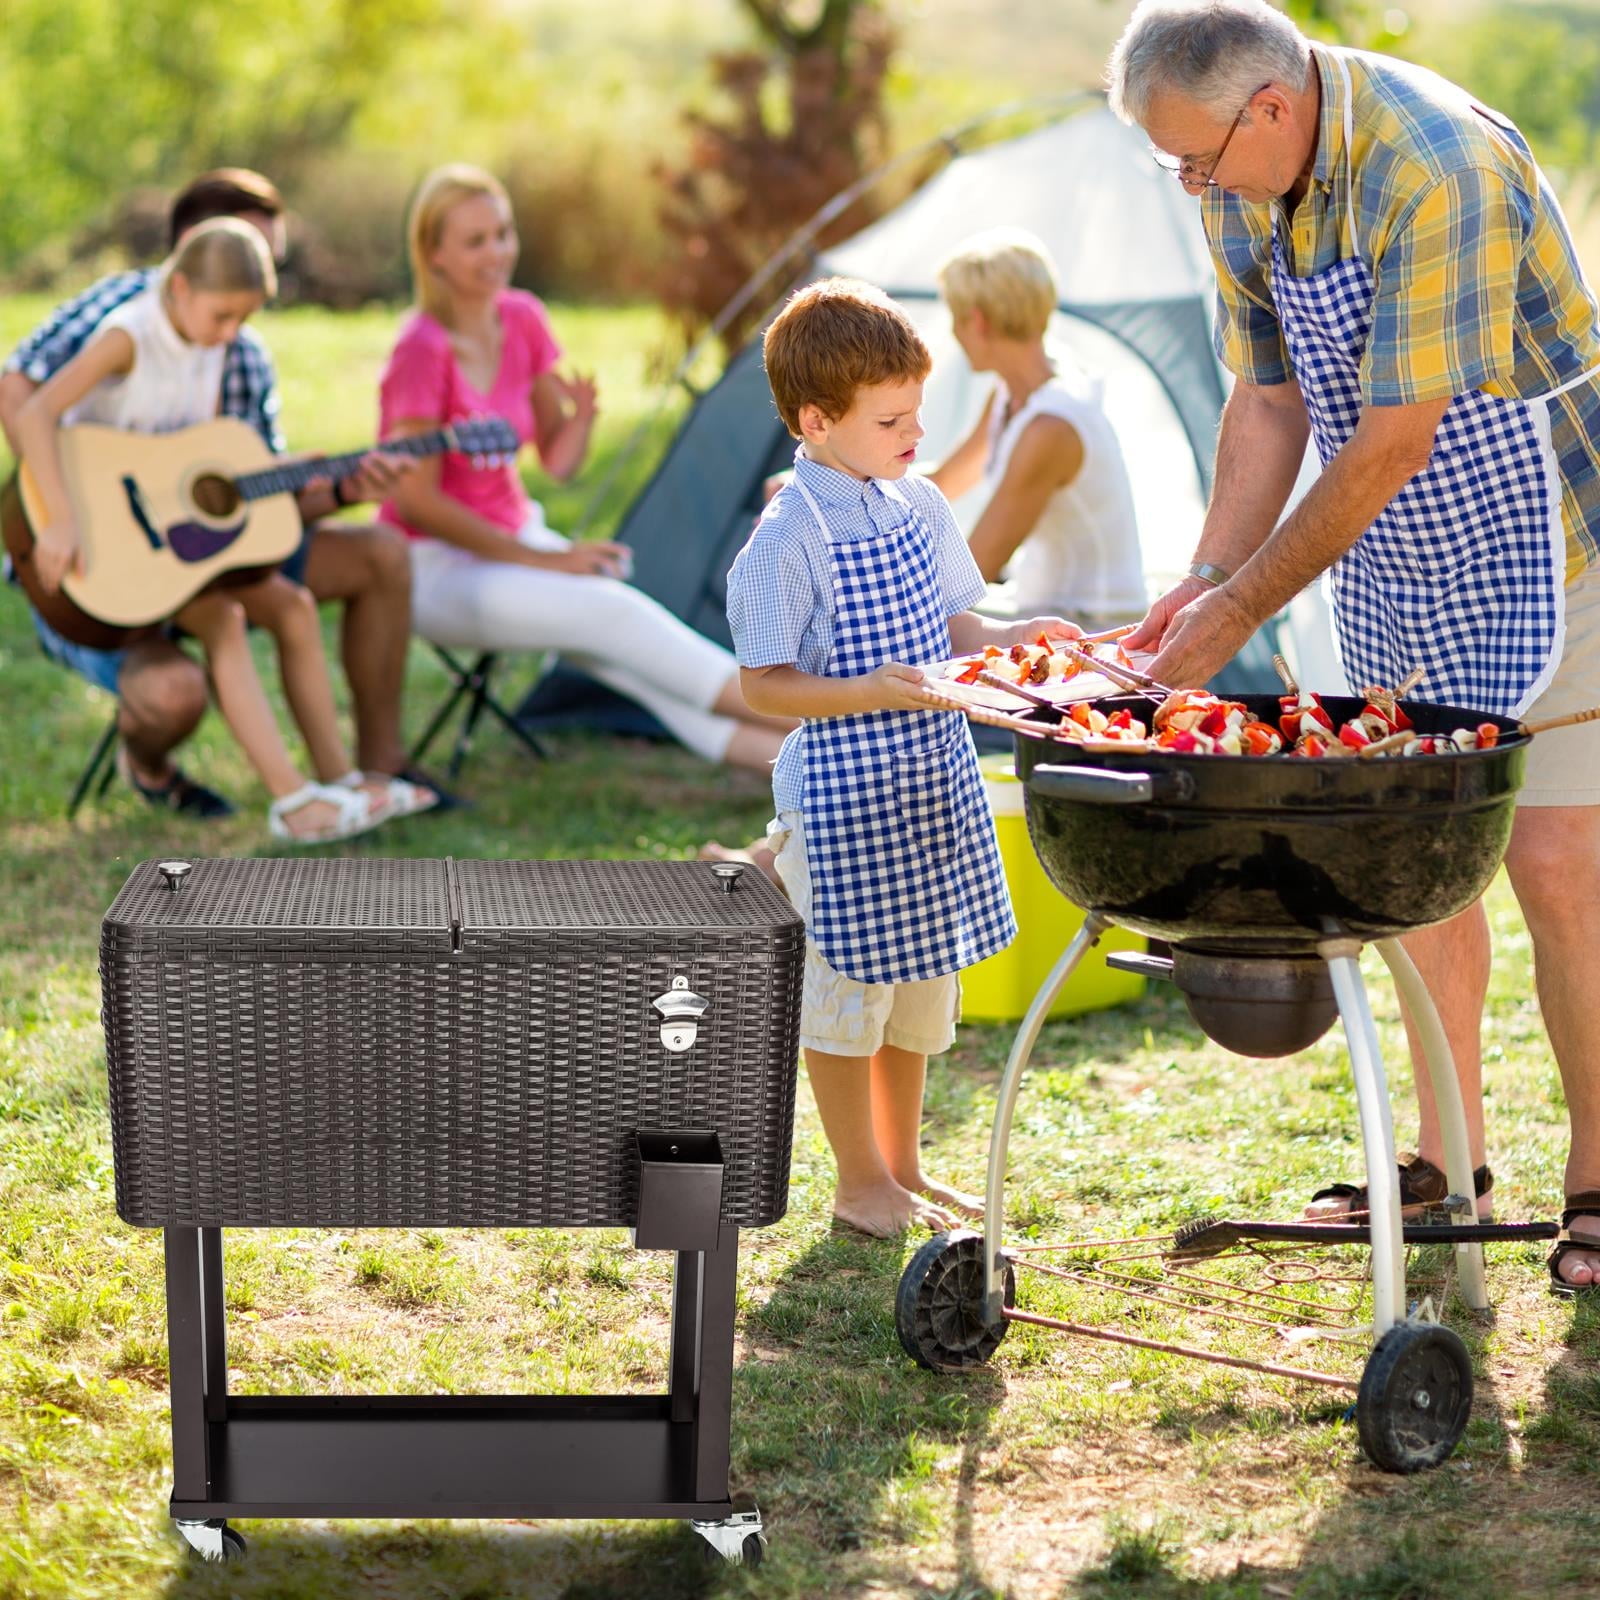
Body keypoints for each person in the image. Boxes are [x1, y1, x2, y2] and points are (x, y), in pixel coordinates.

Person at [1107, 0, 1600, 1289]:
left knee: (1554, 861)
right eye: (1176, 169)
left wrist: (1239, 614)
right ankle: (1449, 1158)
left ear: (1268, 108)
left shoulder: (1433, 162)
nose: (1192, 187)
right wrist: (1205, 577)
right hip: (1385, 545)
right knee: (1410, 856)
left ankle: (1598, 1174)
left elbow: (1395, 438)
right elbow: (1269, 399)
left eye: (1198, 163)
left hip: (1551, 529)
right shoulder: (1234, 177)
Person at [727, 277, 1079, 1236]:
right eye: (891, 419)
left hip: (929, 787)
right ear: (815, 421)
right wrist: (876, 688)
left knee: (917, 989)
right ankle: (856, 1182)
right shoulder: (789, 535)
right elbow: (763, 685)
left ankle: (904, 1166)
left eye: (918, 412)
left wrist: (1018, 633)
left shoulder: (919, 503)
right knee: (847, 998)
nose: (915, 433)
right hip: (842, 806)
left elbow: (958, 622)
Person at [0, 168, 436, 817]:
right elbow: (33, 410)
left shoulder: (210, 342)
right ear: (181, 284)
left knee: (285, 605)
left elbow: (207, 466)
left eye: (244, 317)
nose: (233, 331)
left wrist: (326, 481)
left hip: (181, 547)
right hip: (102, 545)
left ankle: (338, 784)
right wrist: (61, 520)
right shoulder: (127, 333)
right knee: (228, 619)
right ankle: (294, 800)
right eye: (224, 314)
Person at [376, 164, 791, 773]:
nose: (497, 253)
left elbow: (558, 461)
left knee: (627, 652)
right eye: (475, 241)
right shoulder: (421, 348)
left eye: (503, 233)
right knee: (611, 614)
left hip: (512, 540)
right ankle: (832, 719)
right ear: (433, 255)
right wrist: (551, 561)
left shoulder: (521, 318)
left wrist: (582, 421)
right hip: (432, 567)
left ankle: (812, 769)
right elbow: (418, 503)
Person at [925, 227, 1147, 629]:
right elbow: (944, 480)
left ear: (977, 322)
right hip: (1046, 608)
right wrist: (839, 479)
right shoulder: (1013, 392)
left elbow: (975, 571)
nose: (954, 333)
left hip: (1094, 631)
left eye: (955, 319)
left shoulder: (1050, 428)